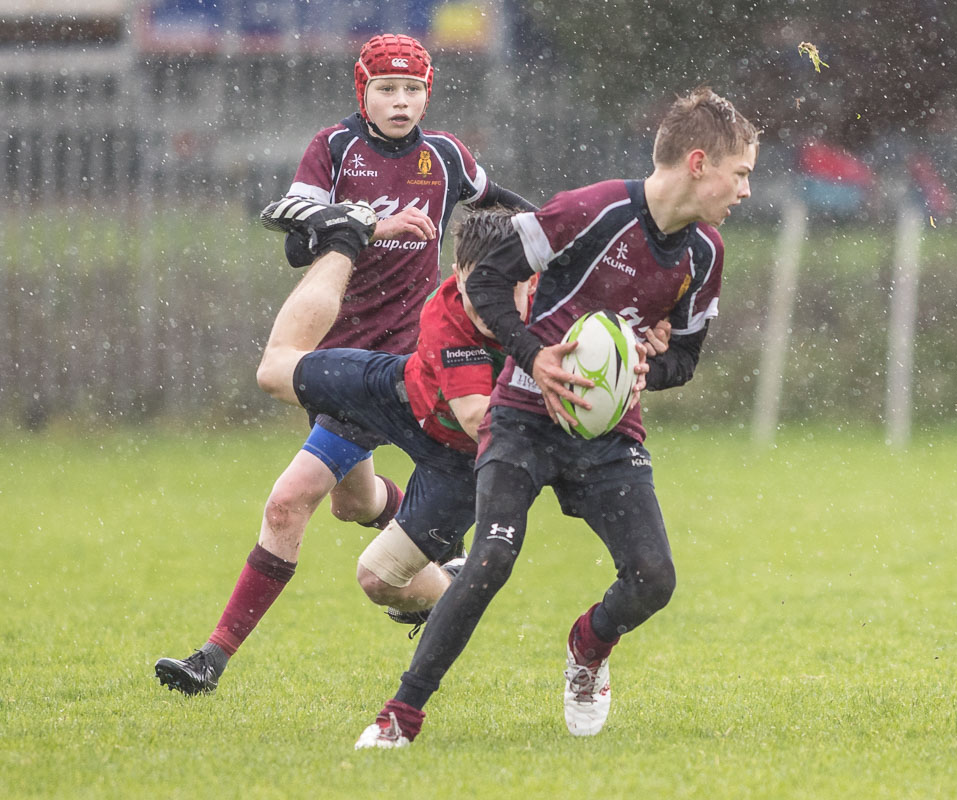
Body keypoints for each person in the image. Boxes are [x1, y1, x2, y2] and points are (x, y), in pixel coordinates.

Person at [355, 87, 760, 748]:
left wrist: (644, 369)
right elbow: (485, 281)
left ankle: (588, 645)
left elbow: (683, 358)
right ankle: (401, 714)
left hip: (606, 432)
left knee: (654, 581)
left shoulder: (704, 256)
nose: (745, 190)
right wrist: (536, 356)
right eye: (739, 173)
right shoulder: (589, 211)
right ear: (697, 162)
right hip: (522, 414)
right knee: (490, 557)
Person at [153, 32, 532, 695]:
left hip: (399, 364)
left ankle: (210, 659)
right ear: (362, 92)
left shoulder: (445, 158)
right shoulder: (335, 148)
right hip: (334, 354)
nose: (400, 101)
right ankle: (446, 567)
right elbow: (299, 241)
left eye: (412, 89)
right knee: (353, 504)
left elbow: (513, 212)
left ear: (428, 94)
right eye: (386, 88)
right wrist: (371, 227)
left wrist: (571, 250)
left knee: (287, 504)